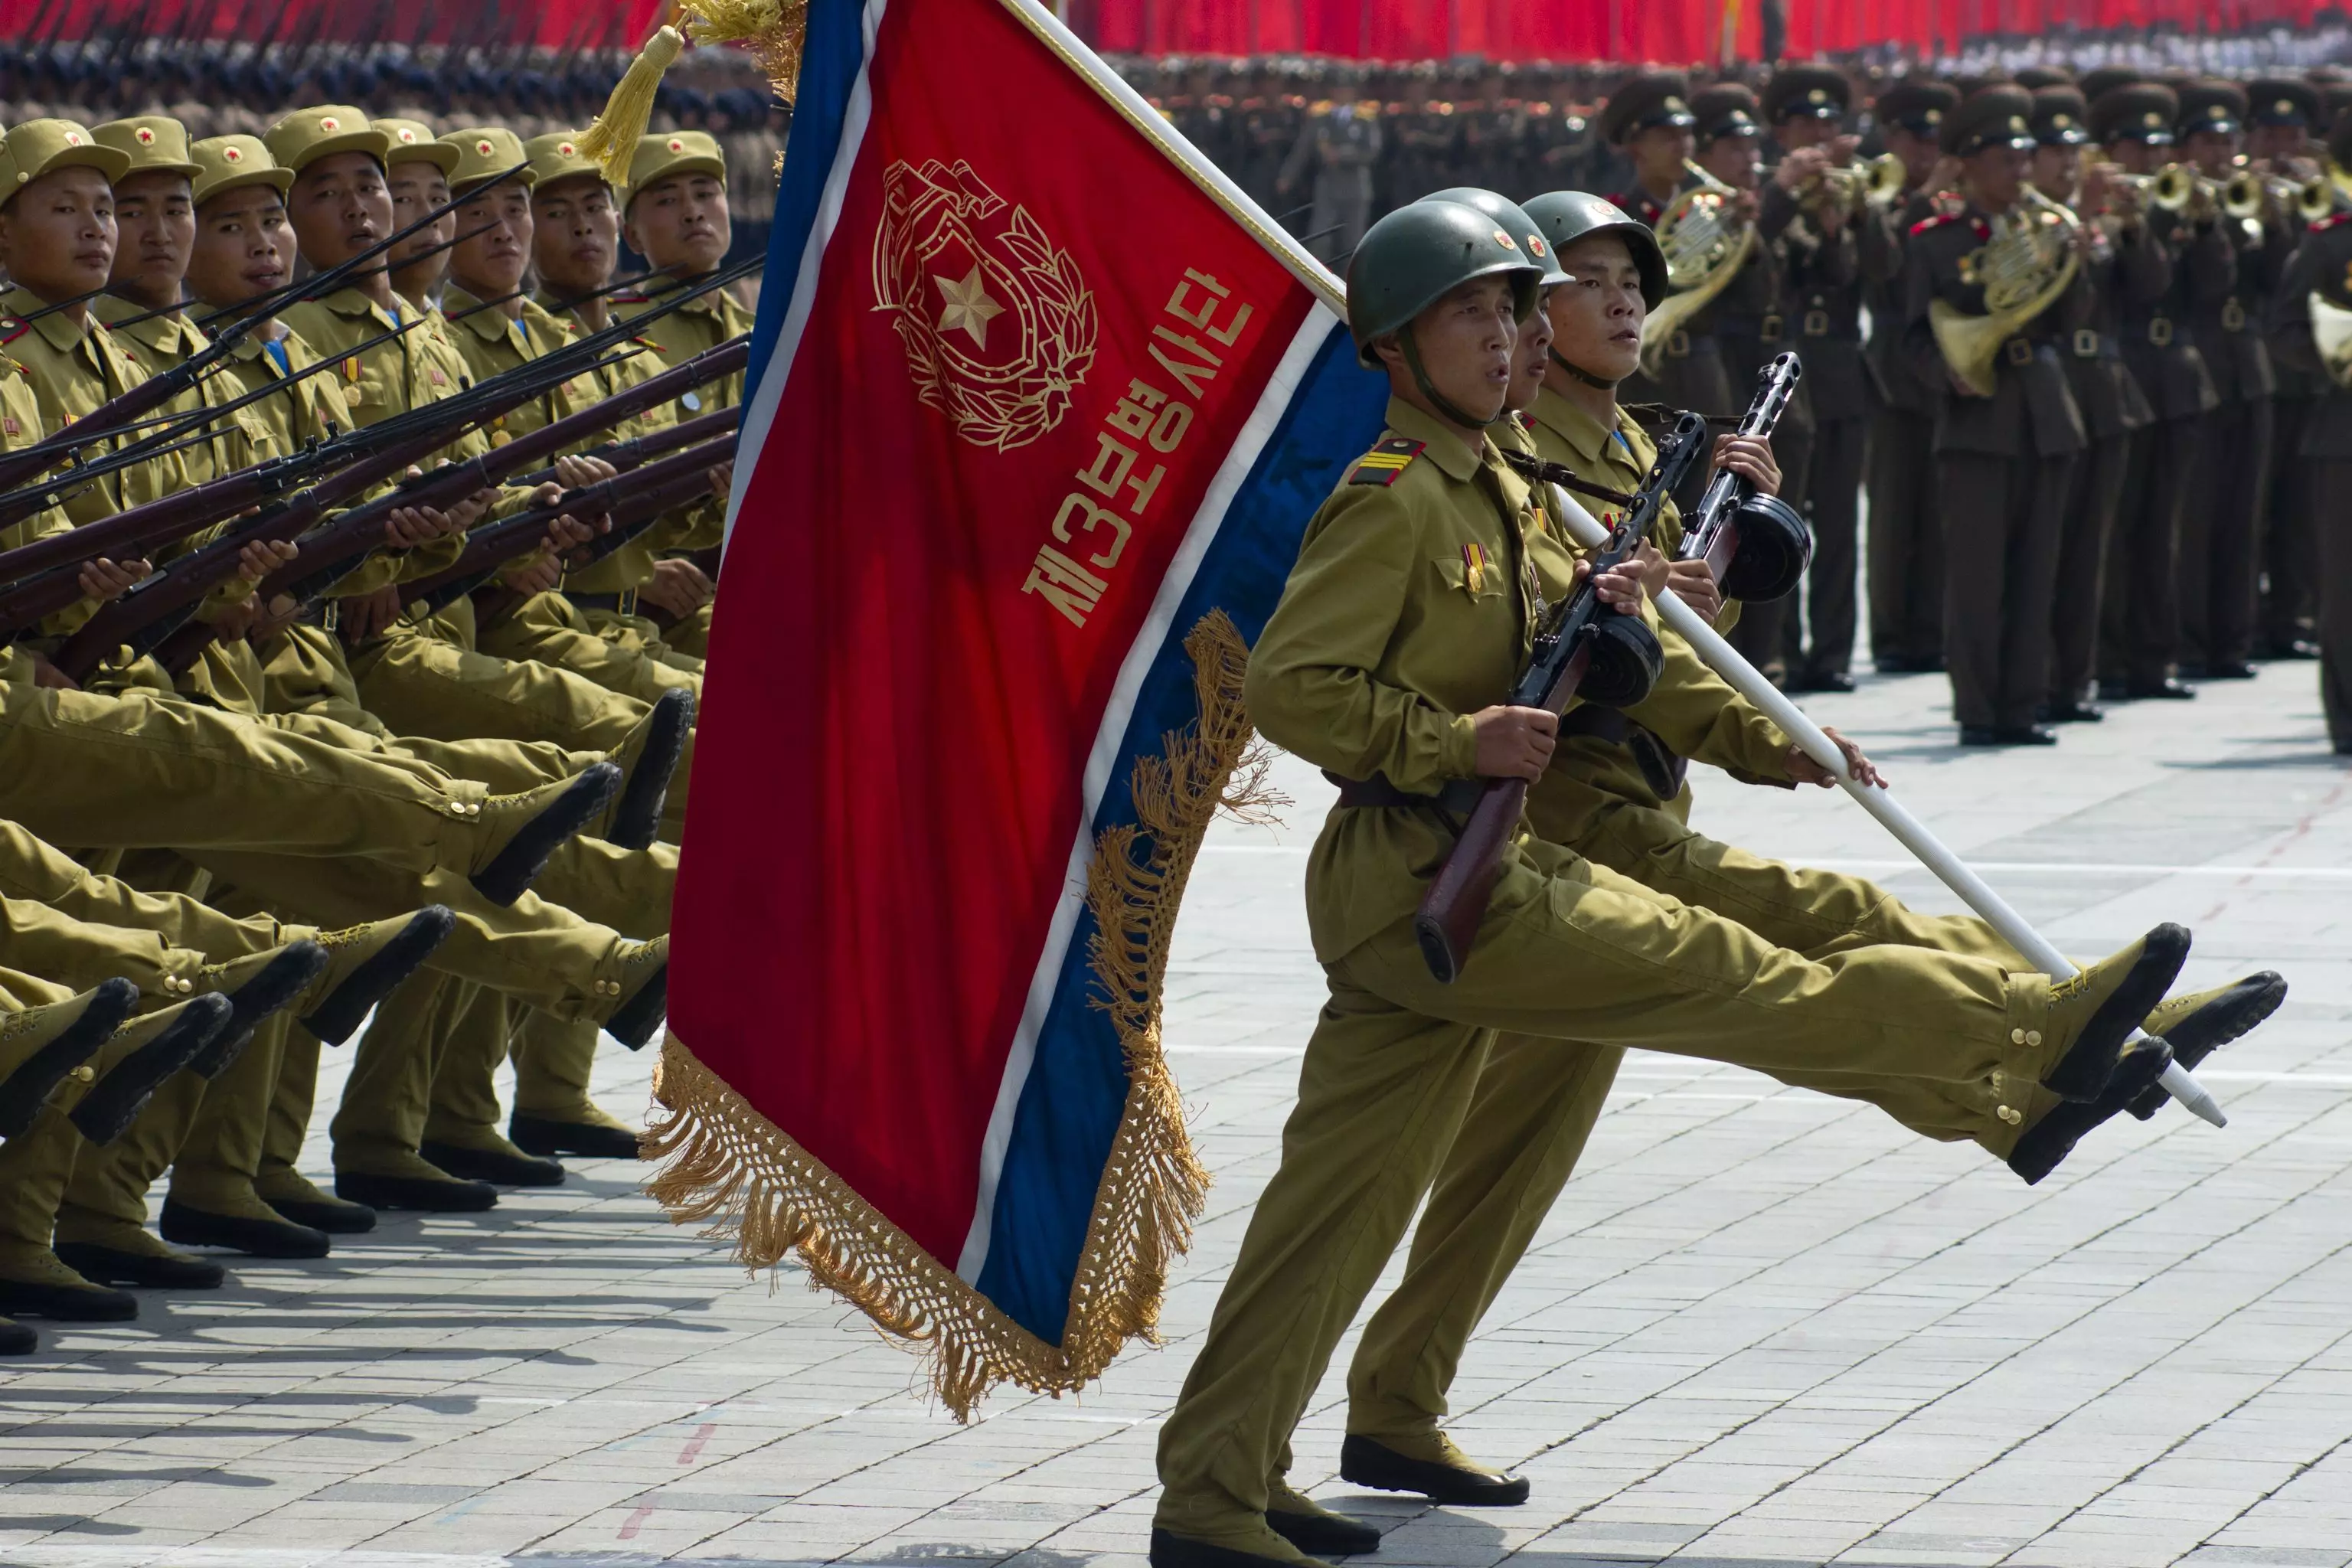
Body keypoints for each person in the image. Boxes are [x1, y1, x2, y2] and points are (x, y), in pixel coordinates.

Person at [1148, 193, 2224, 1568]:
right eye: (1470, 316)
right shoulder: (1399, 500)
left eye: (1506, 310)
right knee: (1748, 976)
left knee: (1333, 1210)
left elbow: (1588, 662)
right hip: (1425, 870)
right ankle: (2030, 1041)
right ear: (1396, 350)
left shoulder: (1498, 487)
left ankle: (1215, 1490)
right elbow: (1292, 683)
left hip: (1459, 885)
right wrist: (1452, 736)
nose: (1503, 338)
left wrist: (1670, 656)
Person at [1900, 87, 2090, 746]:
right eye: (2006, 160)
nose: (2019, 172)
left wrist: (2080, 260)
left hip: (2045, 411)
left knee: (2039, 571)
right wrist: (1946, 372)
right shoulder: (1935, 242)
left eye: (2023, 159)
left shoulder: (2048, 231)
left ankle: (2024, 704)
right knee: (1979, 577)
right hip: (1977, 421)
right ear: (1973, 165)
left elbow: (2075, 321)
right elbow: (1911, 338)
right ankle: (1980, 709)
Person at [2028, 86, 2161, 724]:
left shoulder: (2106, 214)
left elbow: (2153, 292)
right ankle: (2042, 676)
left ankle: (2081, 674)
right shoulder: (2034, 221)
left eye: (2071, 149)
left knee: (2094, 546)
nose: (2064, 162)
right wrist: (2078, 222)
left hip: (2105, 393)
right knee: (2047, 547)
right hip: (2052, 393)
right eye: (2053, 150)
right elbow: (2056, 310)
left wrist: (2132, 228)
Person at [2090, 81, 2217, 704]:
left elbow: (2215, 286)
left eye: (2159, 145)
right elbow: (2132, 291)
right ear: (2112, 149)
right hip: (2123, 377)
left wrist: (2206, 224)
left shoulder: (2179, 204)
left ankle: (2153, 657)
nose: (2151, 158)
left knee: (2163, 527)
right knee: (2116, 529)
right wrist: (2123, 227)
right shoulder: (2097, 209)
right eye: (2139, 146)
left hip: (2177, 380)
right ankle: (2110, 656)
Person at [1760, 64, 1864, 692]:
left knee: (1841, 527)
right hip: (1786, 377)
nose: (1820, 136)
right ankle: (1783, 653)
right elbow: (1757, 254)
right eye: (1806, 124)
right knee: (1781, 517)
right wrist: (1784, 192)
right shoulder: (1762, 191)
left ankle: (1832, 653)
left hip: (1845, 375)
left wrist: (1841, 224)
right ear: (1781, 132)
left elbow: (1871, 270)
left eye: (1829, 123)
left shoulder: (1849, 191)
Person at [1861, 77, 1962, 676]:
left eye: (1934, 141)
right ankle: (1895, 632)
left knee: (1941, 510)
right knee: (1897, 512)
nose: (1926, 153)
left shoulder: (1956, 202)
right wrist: (1926, 206)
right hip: (1895, 373)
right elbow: (1888, 272)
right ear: (1894, 139)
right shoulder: (1885, 199)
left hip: (1952, 369)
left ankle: (1933, 628)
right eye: (1915, 140)